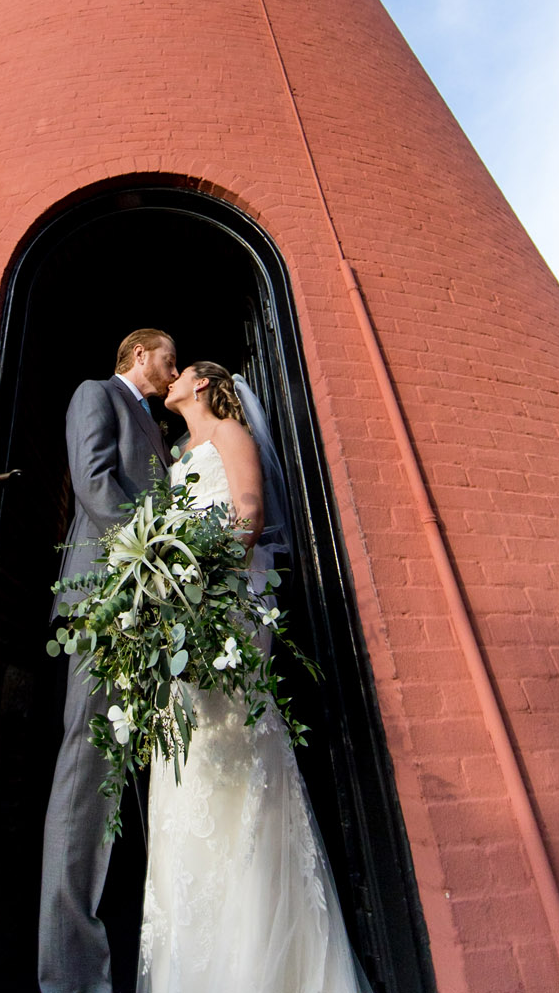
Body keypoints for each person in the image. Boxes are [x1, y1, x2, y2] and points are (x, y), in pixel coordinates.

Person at [137, 361, 371, 993]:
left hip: (222, 609)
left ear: (205, 385)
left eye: (182, 372)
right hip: (178, 617)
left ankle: (263, 953)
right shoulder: (180, 451)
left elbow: (248, 518)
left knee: (237, 748)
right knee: (186, 755)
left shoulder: (228, 437)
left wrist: (196, 580)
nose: (174, 380)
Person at [40, 328, 179, 993]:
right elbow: (95, 482)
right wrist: (161, 563)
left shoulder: (157, 431)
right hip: (105, 600)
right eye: (169, 357)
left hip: (155, 613)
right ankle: (69, 975)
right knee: (87, 772)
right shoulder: (95, 395)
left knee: (159, 771)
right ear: (139, 353)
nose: (173, 369)